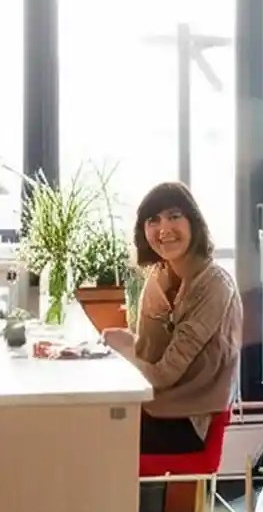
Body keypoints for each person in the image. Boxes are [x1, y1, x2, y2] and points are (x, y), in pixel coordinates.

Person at [101, 181, 242, 455]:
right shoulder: (158, 275)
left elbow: (163, 374)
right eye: (153, 220)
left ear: (193, 223)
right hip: (150, 406)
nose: (164, 229)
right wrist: (124, 344)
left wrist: (124, 349)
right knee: (75, 418)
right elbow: (149, 352)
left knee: (87, 434)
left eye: (174, 216)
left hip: (187, 421)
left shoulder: (215, 285)